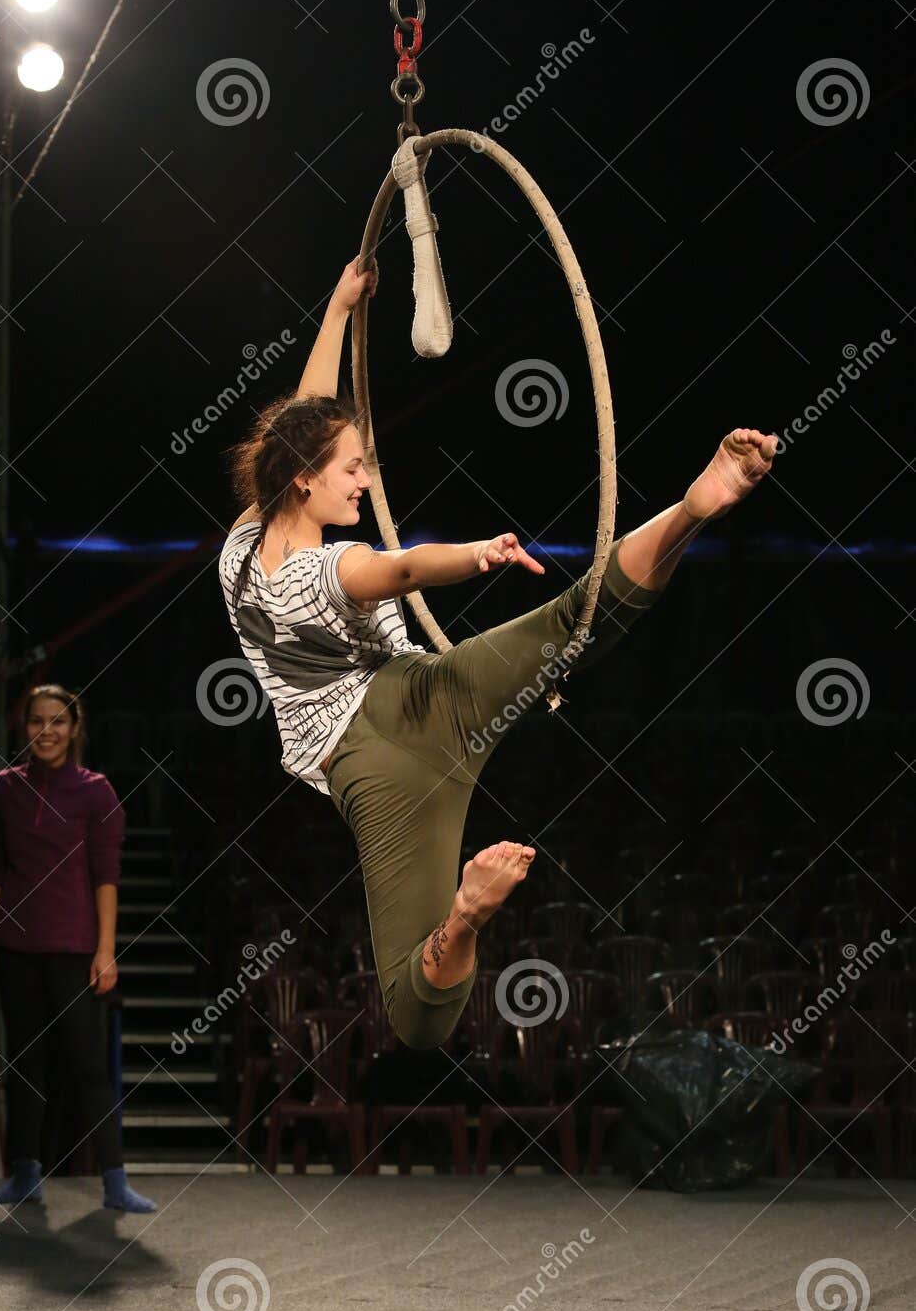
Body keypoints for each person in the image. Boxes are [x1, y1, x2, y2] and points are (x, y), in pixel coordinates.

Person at [218, 258, 777, 1050]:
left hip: (382, 766)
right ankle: (693, 506)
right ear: (305, 481)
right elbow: (401, 567)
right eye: (353, 468)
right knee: (572, 622)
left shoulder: (241, 544)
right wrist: (474, 553)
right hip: (409, 717)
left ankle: (464, 921)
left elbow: (307, 416)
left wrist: (340, 307)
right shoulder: (325, 570)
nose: (364, 479)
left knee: (413, 1019)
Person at [0, 685, 156, 1212]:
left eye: (57, 722)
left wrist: (105, 949)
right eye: (36, 722)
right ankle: (25, 1176)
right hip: (17, 949)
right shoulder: (3, 790)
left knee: (89, 1066)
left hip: (74, 949)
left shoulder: (95, 792)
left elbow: (105, 878)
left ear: (74, 729)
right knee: (24, 1066)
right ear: (25, 729)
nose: (46, 731)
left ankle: (114, 1182)